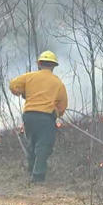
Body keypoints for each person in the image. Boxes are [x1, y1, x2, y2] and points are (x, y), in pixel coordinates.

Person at [9, 51, 68, 183]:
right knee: (43, 145)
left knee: (32, 143)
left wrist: (23, 92)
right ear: (53, 66)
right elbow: (62, 104)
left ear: (39, 64)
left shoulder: (29, 77)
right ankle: (38, 177)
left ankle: (31, 171)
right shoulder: (58, 83)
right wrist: (57, 113)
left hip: (29, 116)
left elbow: (13, 85)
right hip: (45, 118)